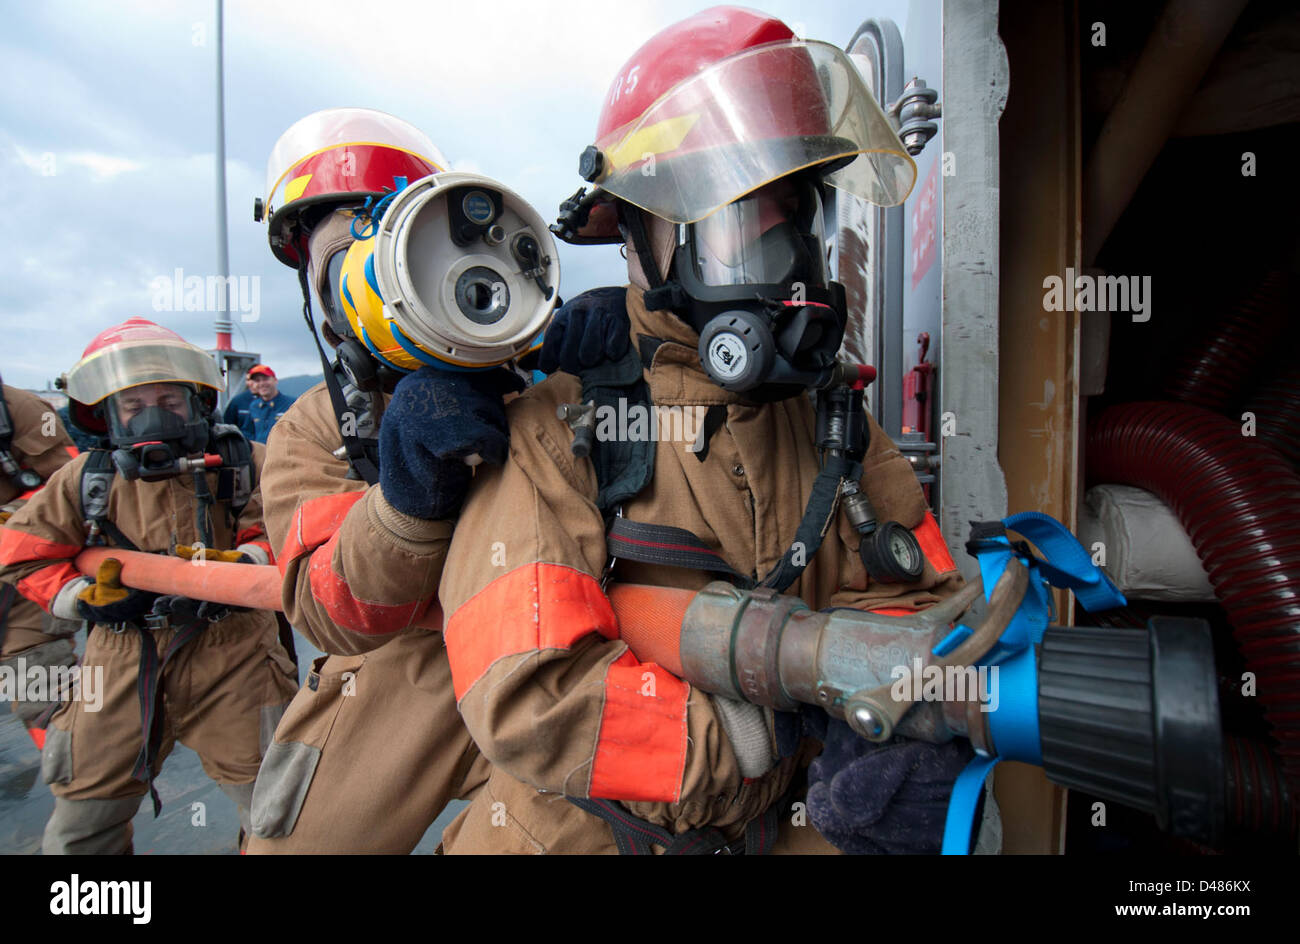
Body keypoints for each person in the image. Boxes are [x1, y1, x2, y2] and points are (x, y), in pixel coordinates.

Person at [435, 7, 968, 854]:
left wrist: (898, 735)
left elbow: (928, 611)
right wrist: (782, 731)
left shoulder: (839, 426)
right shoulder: (557, 427)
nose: (785, 267)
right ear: (642, 243)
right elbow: (533, 699)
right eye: (735, 228)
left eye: (795, 223)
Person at [246, 108, 533, 853]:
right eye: (339, 265)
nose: (360, 289)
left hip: (542, 660)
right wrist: (406, 500)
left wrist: (624, 368)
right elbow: (325, 611)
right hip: (388, 679)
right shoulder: (312, 427)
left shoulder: (539, 383)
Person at [0, 319, 298, 854]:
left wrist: (244, 563)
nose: (153, 415)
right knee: (84, 823)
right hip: (118, 661)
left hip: (236, 657)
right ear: (107, 415)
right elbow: (22, 555)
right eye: (134, 406)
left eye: (168, 400)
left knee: (282, 813)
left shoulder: (243, 462)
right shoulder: (83, 480)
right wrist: (82, 598)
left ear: (197, 402)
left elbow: (293, 531)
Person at [0, 378, 80, 746]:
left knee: (39, 686)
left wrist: (8, 519)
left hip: (18, 579)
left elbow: (65, 487)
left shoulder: (19, 410)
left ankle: (77, 779)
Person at [241, 365, 294, 444]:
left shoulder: (292, 404)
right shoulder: (254, 406)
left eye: (265, 379)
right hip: (261, 454)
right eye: (257, 380)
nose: (261, 383)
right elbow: (248, 432)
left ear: (275, 380)